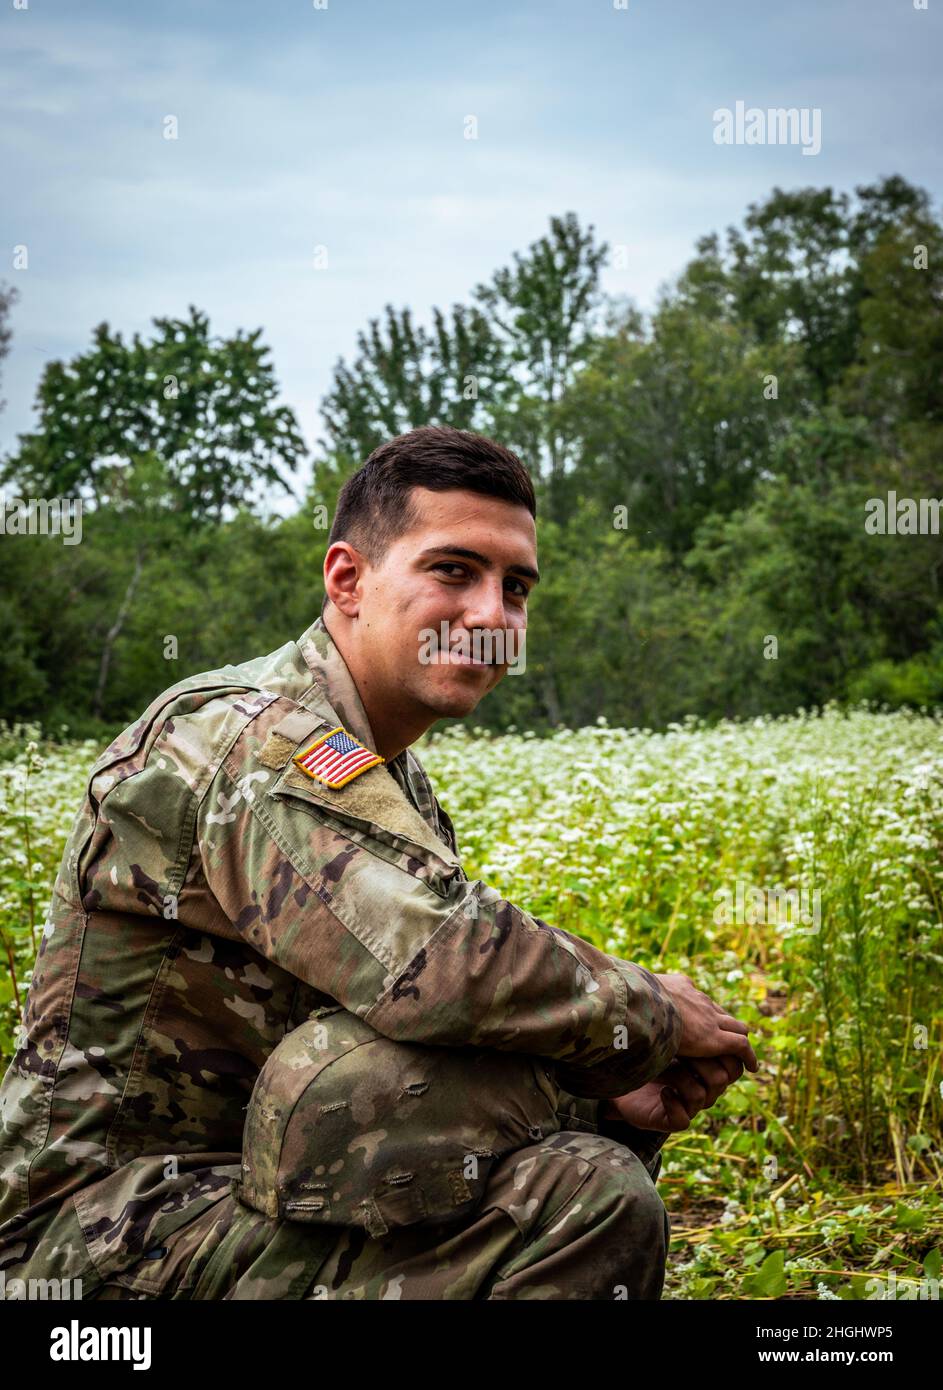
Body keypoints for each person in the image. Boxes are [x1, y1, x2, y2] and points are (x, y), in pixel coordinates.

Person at [0, 426, 756, 1300]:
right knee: (582, 1200)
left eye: (515, 588)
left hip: (232, 1193)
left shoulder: (384, 771)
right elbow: (438, 971)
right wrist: (649, 1014)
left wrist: (600, 1094)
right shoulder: (251, 740)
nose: (490, 617)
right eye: (452, 571)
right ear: (347, 580)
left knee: (574, 1164)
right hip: (94, 1236)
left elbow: (411, 1036)